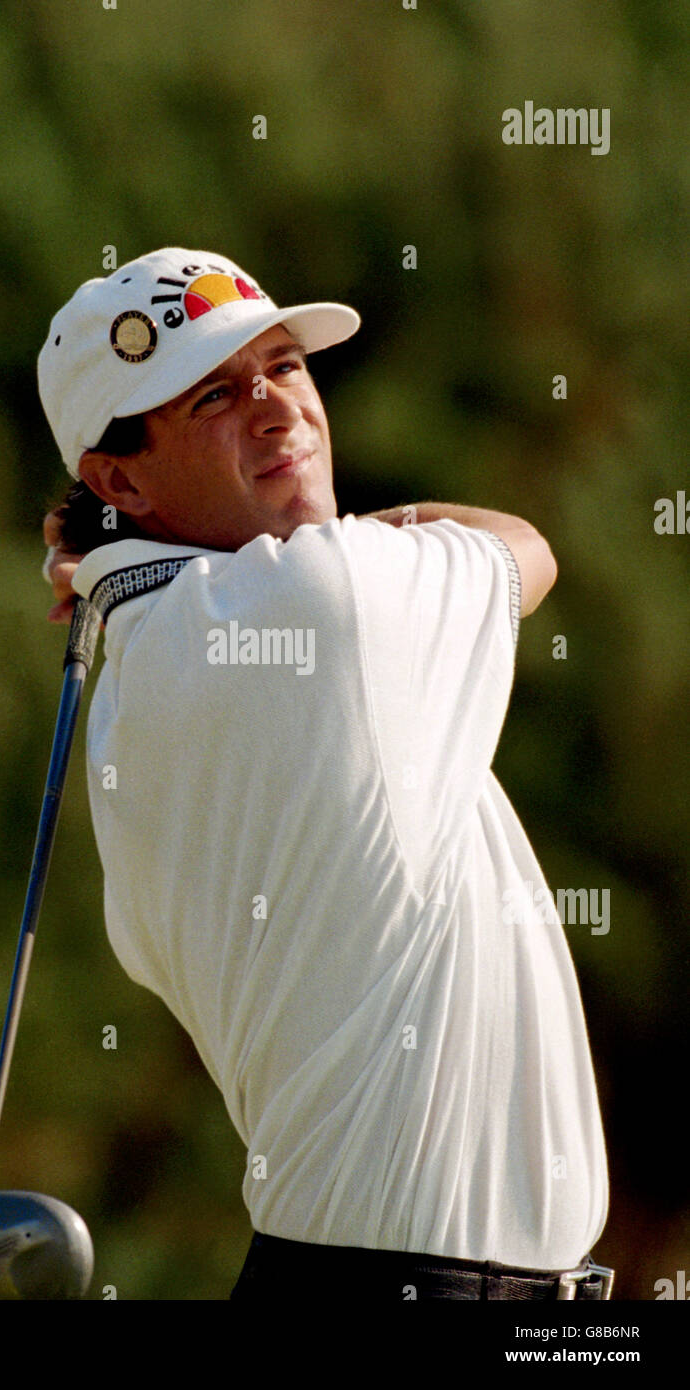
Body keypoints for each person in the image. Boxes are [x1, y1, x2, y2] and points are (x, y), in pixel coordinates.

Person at [36, 246, 612, 1301]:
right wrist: (368, 530)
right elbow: (523, 546)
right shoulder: (325, 603)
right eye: (214, 393)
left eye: (284, 365)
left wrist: (104, 543)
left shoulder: (139, 665)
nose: (275, 407)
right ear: (120, 477)